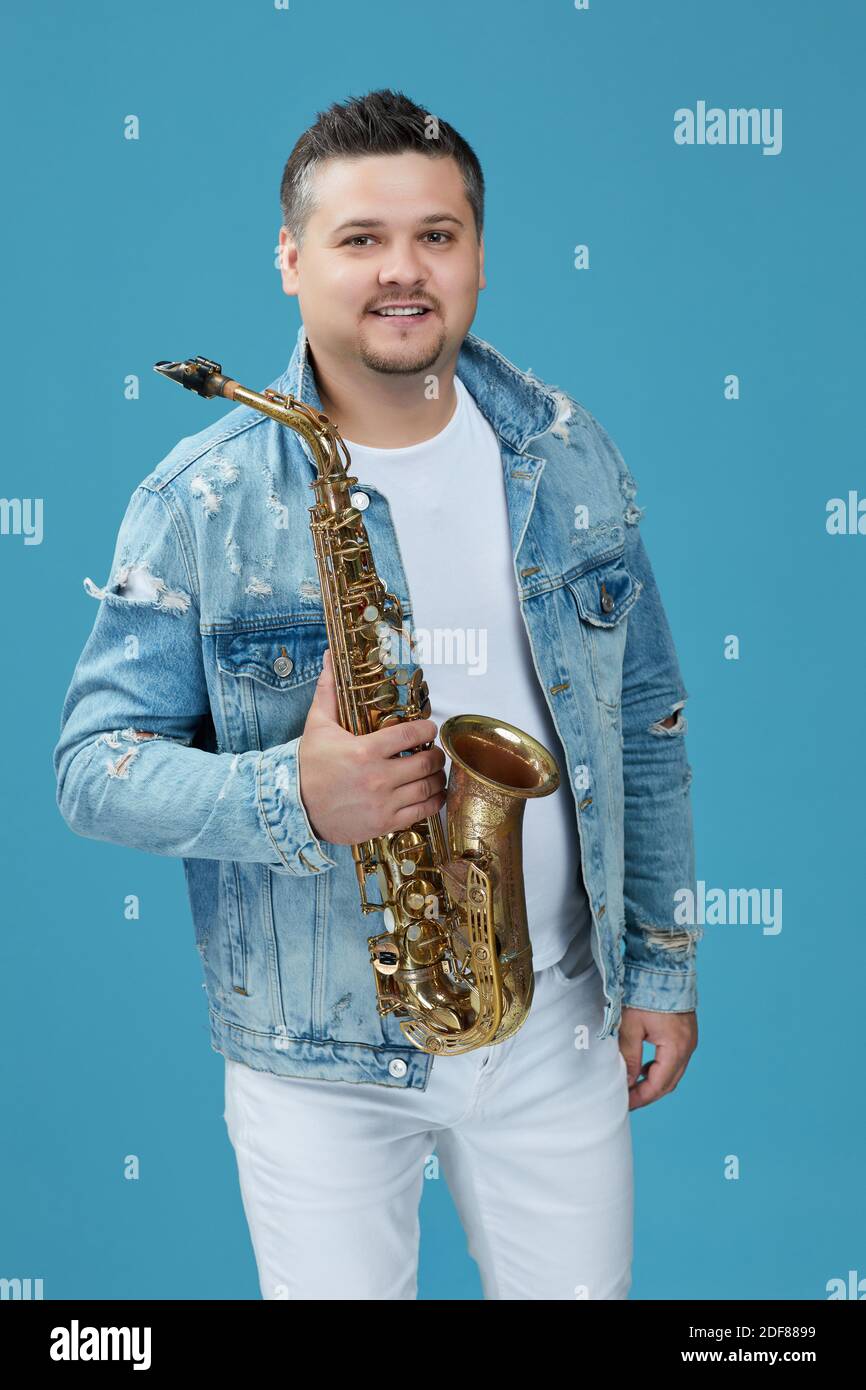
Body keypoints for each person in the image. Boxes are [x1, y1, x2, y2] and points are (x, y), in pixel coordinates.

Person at [53, 88, 699, 1301]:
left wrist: (658, 968)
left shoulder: (566, 451)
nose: (402, 270)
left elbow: (646, 725)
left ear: (477, 258)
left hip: (554, 1020)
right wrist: (293, 797)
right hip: (318, 1064)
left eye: (435, 235)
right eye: (360, 238)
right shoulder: (198, 498)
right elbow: (93, 770)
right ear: (292, 261)